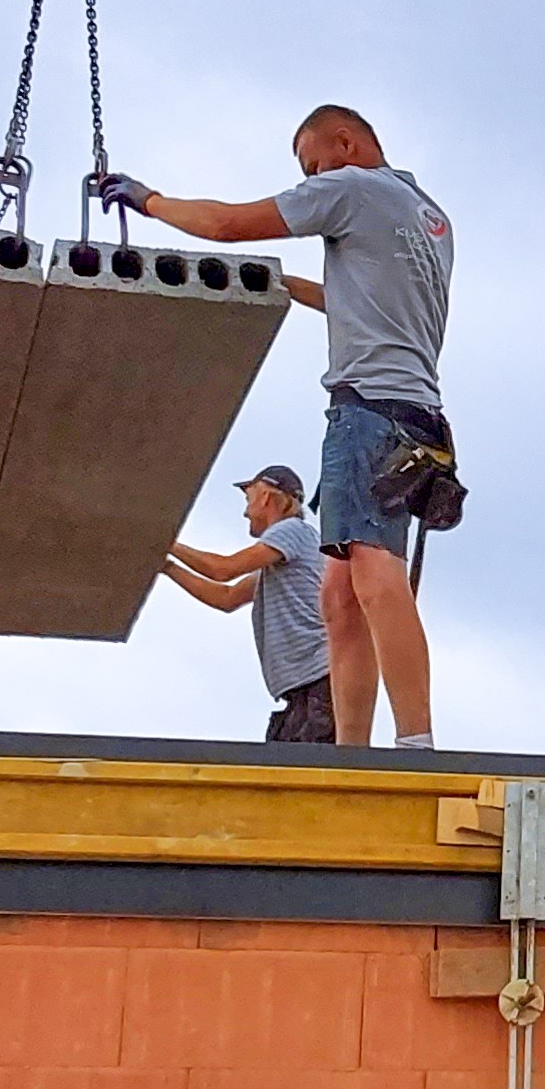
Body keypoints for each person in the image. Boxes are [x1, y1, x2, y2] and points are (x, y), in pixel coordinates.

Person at [94, 103, 453, 750]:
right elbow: (355, 302)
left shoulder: (351, 188)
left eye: (313, 165)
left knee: (372, 572)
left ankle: (416, 745)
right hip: (412, 416)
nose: (312, 180)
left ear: (345, 143)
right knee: (338, 592)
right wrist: (277, 283)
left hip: (369, 408)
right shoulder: (425, 216)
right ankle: (353, 755)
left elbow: (228, 224)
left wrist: (148, 201)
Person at [161, 464, 333, 744]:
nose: (245, 512)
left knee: (306, 764)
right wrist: (168, 567)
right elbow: (227, 597)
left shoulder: (291, 530)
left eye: (248, 498)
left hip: (318, 681)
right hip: (308, 687)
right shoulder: (281, 562)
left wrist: (167, 544)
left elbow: (223, 569)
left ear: (265, 497)